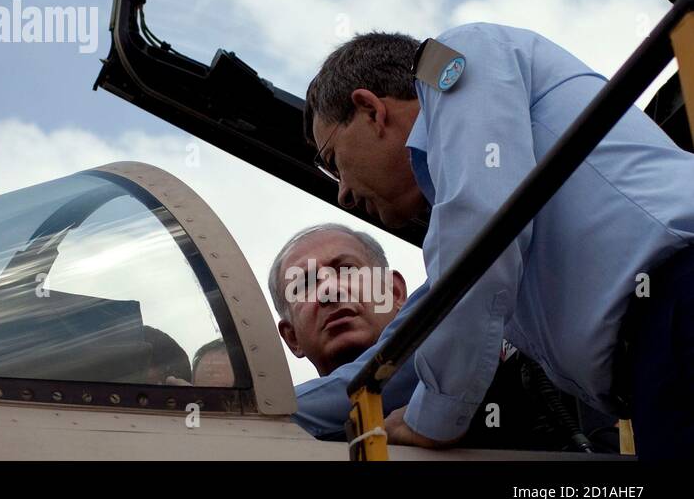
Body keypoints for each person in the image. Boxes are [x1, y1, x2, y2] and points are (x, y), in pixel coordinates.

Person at [304, 23, 694, 457]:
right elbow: (421, 334)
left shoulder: (454, 55)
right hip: (654, 373)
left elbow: (478, 221)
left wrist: (436, 418)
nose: (341, 191)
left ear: (370, 109)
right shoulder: (463, 235)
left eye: (331, 160)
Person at [265, 222, 419, 439]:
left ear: (394, 293)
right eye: (305, 285)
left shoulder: (446, 354)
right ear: (292, 338)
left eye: (347, 270)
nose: (329, 290)